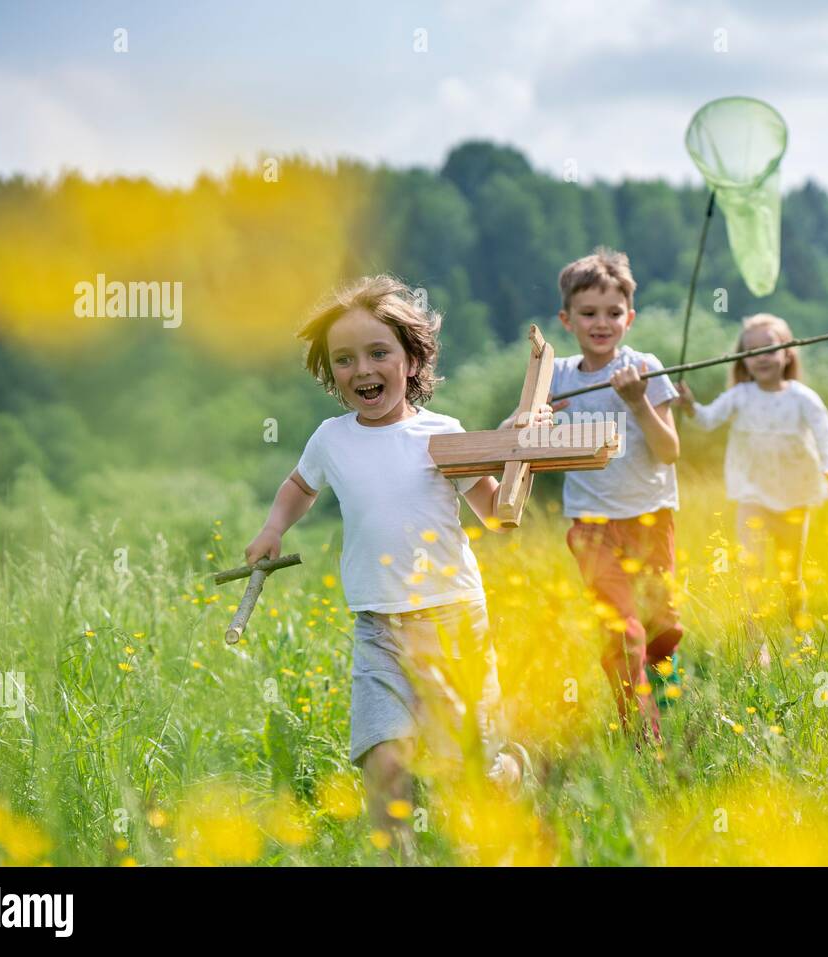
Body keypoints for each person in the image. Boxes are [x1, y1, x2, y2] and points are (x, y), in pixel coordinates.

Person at [244, 275, 533, 849]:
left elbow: (499, 516)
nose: (363, 370)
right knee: (384, 763)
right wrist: (273, 528)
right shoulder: (331, 439)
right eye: (344, 359)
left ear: (411, 357)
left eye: (379, 353)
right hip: (378, 628)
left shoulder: (442, 435)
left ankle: (511, 773)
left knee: (468, 769)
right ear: (331, 371)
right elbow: (299, 486)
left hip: (453, 620)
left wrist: (514, 450)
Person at [508, 247, 683, 743]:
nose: (601, 323)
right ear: (567, 319)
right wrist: (529, 419)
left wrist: (637, 402)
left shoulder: (644, 368)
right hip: (590, 526)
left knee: (662, 630)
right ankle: (643, 735)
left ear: (630, 317)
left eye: (612, 314)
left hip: (650, 518)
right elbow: (512, 435)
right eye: (588, 314)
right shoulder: (554, 376)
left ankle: (670, 708)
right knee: (622, 632)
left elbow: (669, 450)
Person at [676, 313, 828, 665]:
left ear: (788, 354)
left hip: (795, 495)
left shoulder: (803, 398)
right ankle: (757, 645)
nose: (761, 357)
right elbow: (708, 420)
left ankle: (800, 634)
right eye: (752, 351)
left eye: (769, 348)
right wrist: (690, 405)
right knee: (750, 570)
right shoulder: (740, 396)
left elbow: (827, 437)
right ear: (743, 359)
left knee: (790, 575)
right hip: (752, 494)